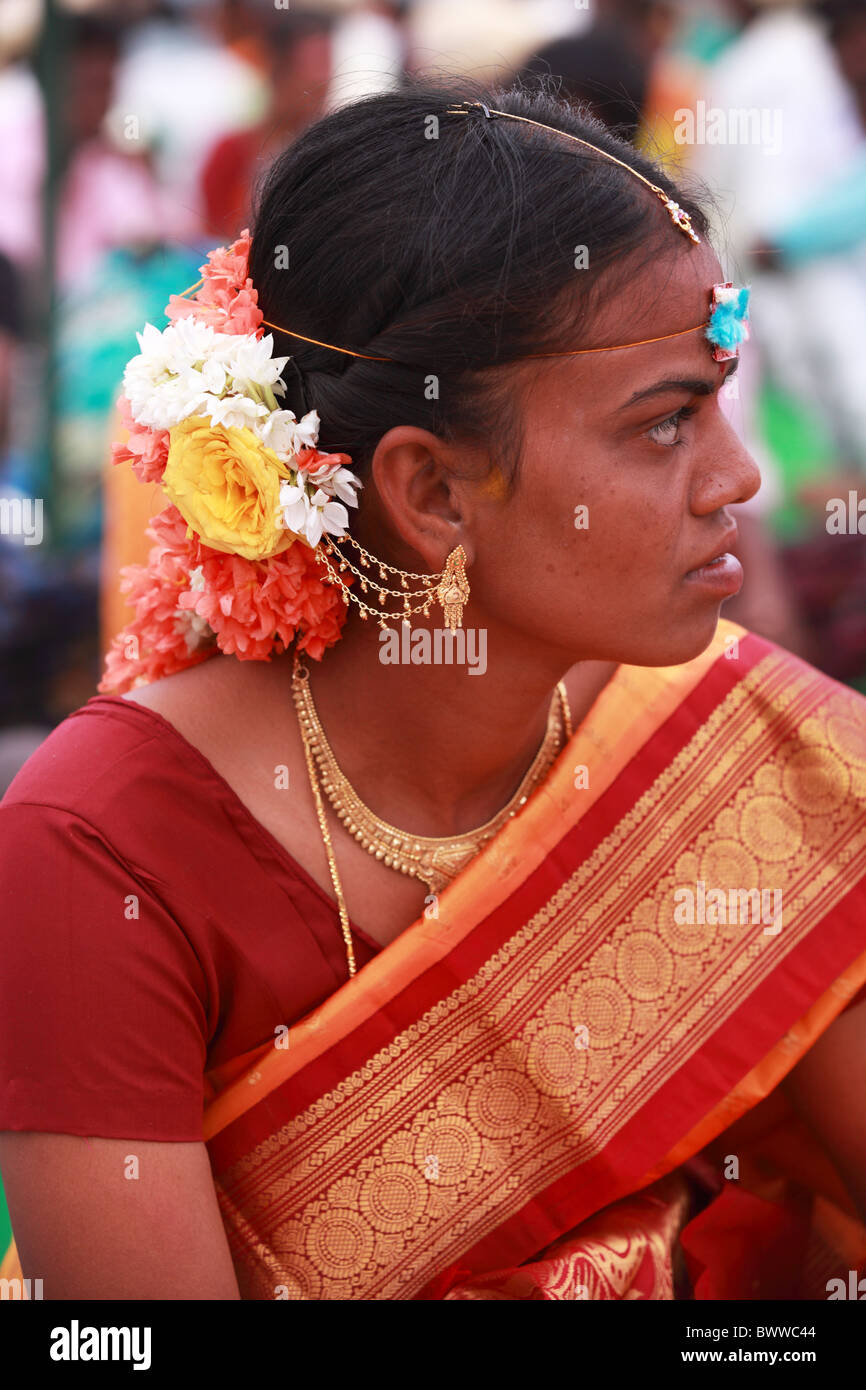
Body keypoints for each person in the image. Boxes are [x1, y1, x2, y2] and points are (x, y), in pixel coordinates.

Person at [1, 82, 865, 1301]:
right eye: (665, 423)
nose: (736, 476)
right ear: (435, 494)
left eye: (717, 401)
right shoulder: (101, 852)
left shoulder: (719, 752)